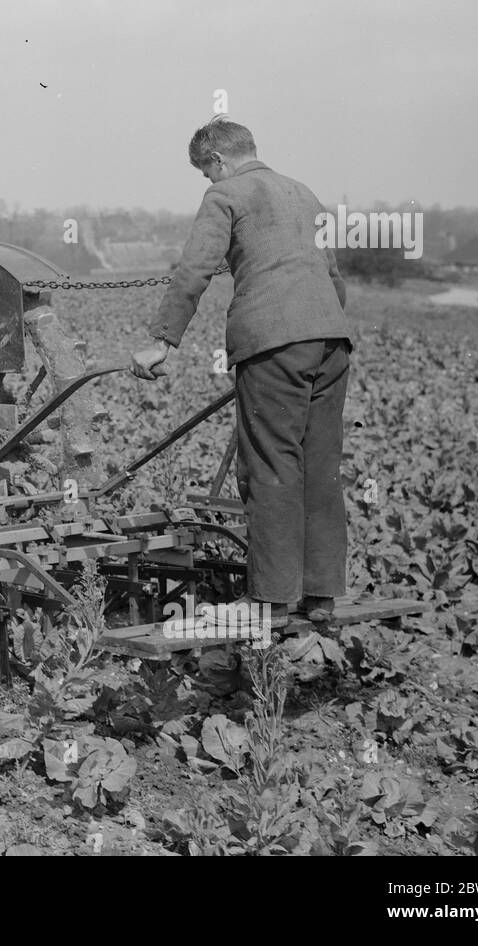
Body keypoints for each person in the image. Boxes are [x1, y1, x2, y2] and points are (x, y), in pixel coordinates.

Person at [129, 117, 352, 625]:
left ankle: (271, 599)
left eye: (205, 172)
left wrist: (162, 341)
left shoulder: (225, 195)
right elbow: (334, 276)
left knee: (271, 464)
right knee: (320, 464)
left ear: (218, 161)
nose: (208, 182)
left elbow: (194, 269)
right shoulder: (303, 192)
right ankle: (320, 596)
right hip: (332, 341)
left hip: (272, 342)